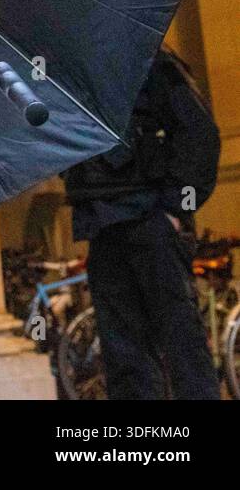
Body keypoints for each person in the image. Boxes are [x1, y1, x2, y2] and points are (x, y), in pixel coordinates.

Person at [63, 46, 221, 399]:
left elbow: (200, 134)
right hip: (102, 225)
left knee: (182, 343)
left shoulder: (150, 60)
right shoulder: (72, 70)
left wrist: (176, 210)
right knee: (123, 355)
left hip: (151, 221)